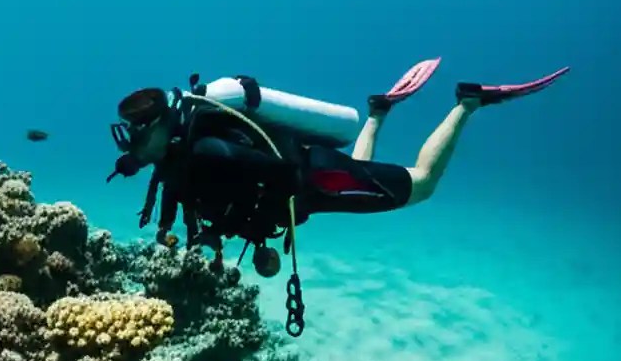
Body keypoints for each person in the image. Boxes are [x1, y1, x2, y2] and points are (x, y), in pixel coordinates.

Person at [107, 62, 570, 279]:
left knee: (422, 185)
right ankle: (376, 113)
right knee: (360, 168)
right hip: (316, 183)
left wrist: (249, 225)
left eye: (135, 135)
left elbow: (282, 176)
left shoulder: (205, 153)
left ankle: (467, 103)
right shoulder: (174, 160)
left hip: (316, 179)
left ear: (162, 127)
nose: (131, 144)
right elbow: (186, 193)